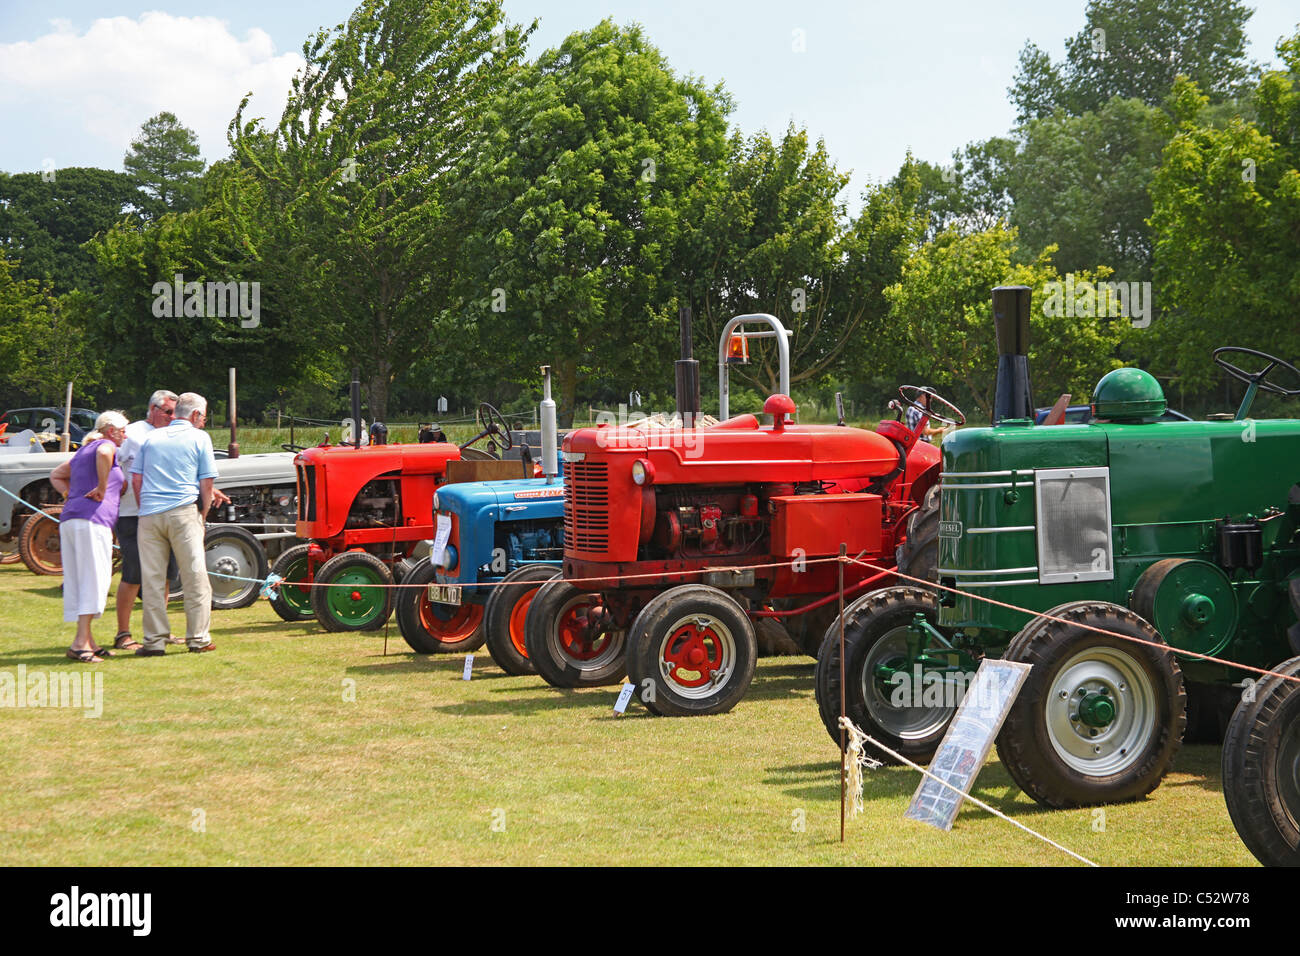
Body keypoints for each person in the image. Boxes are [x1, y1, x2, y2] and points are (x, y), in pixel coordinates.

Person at [131, 393, 218, 655]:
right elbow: (207, 483)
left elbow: (136, 479)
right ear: (194, 415)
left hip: (149, 514)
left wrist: (144, 508)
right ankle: (198, 638)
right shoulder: (200, 438)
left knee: (153, 579)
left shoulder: (151, 437)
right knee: (195, 577)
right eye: (202, 416)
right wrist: (203, 513)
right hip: (182, 512)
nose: (203, 421)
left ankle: (154, 641)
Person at [49, 411, 129, 662]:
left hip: (71, 519)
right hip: (93, 521)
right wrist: (103, 488)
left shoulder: (83, 450)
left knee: (79, 579)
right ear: (111, 431)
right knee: (96, 579)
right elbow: (105, 455)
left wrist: (69, 496)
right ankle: (80, 642)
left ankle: (89, 640)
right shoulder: (105, 446)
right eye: (123, 430)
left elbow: (56, 475)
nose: (125, 435)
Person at [112, 389, 182, 650]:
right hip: (131, 513)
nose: (173, 417)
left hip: (163, 512)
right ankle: (123, 634)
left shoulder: (171, 435)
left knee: (165, 574)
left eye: (175, 413)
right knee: (134, 573)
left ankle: (159, 631)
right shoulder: (132, 434)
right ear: (153, 409)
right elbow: (110, 463)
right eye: (168, 412)